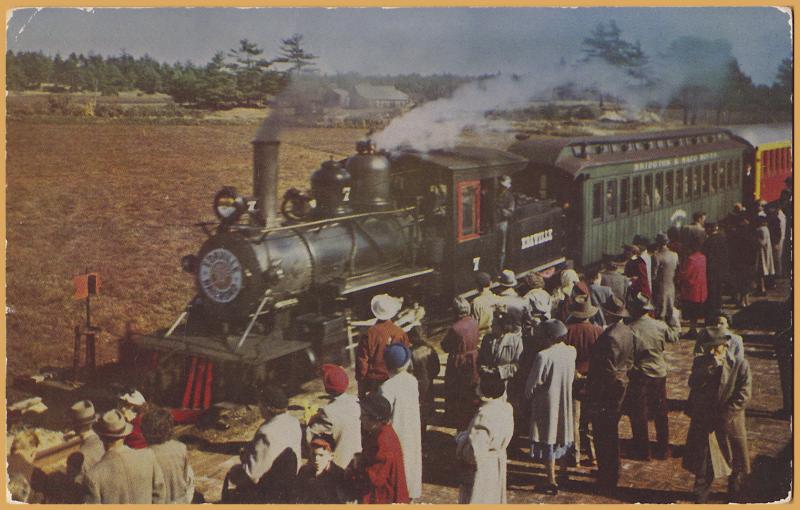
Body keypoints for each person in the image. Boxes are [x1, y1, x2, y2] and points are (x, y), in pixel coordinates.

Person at [683, 328, 752, 503]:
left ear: (726, 345)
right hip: (706, 419)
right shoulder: (701, 362)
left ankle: (734, 493)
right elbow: (693, 383)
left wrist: (724, 416)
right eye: (709, 348)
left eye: (716, 347)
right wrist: (709, 368)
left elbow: (744, 395)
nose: (713, 352)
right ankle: (700, 494)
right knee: (704, 459)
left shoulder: (740, 364)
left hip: (729, 421)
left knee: (735, 459)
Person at [587, 296, 635, 489]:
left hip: (607, 391)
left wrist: (596, 393)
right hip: (621, 383)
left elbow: (606, 370)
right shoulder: (627, 331)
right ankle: (609, 470)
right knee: (610, 431)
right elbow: (630, 359)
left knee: (604, 433)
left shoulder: (610, 336)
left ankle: (608, 474)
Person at [626, 293, 680, 460]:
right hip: (659, 372)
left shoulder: (630, 328)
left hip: (640, 373)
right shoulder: (659, 325)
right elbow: (674, 336)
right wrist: (675, 318)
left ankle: (643, 451)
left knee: (639, 413)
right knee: (661, 412)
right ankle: (663, 449)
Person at [525, 319, 576, 495]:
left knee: (548, 438)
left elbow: (533, 383)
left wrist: (527, 396)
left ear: (549, 337)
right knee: (562, 434)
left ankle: (551, 479)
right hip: (565, 399)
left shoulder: (543, 356)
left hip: (546, 402)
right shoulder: (571, 352)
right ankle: (563, 471)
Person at [225, 386, 301, 503]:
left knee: (232, 475)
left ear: (268, 407)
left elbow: (253, 474)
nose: (258, 407)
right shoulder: (294, 422)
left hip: (270, 491)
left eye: (260, 404)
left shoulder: (266, 432)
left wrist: (244, 459)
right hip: (292, 481)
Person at [84, 409, 166, 504]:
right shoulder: (148, 457)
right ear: (125, 434)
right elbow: (160, 495)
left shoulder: (93, 476)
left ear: (100, 437)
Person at [455, 373, 515, 504]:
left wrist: (462, 441)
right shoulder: (506, 408)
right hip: (497, 462)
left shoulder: (484, 415)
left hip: (482, 469)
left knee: (479, 499)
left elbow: (473, 453)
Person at [347, 392, 410, 504]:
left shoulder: (384, 441)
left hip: (384, 496)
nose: (360, 418)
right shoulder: (380, 432)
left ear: (375, 419)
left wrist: (357, 467)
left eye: (363, 415)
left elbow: (376, 478)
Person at [379, 344, 423, 501]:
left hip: (396, 432)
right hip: (412, 429)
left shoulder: (387, 387)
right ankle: (410, 494)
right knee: (412, 461)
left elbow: (383, 414)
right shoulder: (412, 381)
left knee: (398, 467)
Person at [564, 295, 602, 466]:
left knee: (574, 419)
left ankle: (575, 456)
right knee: (590, 419)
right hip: (593, 378)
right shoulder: (598, 331)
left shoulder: (567, 331)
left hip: (573, 378)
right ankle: (593, 455)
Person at [306, 364, 362, 470]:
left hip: (341, 462)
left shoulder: (328, 411)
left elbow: (311, 435)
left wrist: (310, 422)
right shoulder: (356, 401)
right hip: (360, 456)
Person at [356, 294, 410, 399]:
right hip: (396, 379)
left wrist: (361, 388)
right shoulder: (400, 333)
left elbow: (362, 362)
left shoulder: (368, 334)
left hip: (375, 381)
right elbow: (406, 359)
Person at [141, 407, 196, 504]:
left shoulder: (144, 456)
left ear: (144, 432)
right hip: (181, 501)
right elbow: (188, 479)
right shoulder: (180, 448)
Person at [441, 296, 481, 430]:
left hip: (459, 360)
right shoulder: (474, 322)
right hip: (473, 357)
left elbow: (445, 346)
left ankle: (454, 418)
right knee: (470, 387)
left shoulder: (455, 328)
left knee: (455, 389)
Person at [478, 306, 524, 385]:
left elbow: (518, 365)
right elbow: (481, 358)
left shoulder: (515, 341)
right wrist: (483, 368)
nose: (491, 327)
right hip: (487, 381)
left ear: (502, 327)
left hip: (506, 383)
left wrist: (499, 371)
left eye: (494, 325)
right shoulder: (487, 339)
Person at [294, 435, 347, 504]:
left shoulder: (338, 475)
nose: (316, 459)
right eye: (313, 454)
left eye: (321, 455)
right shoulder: (304, 471)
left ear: (331, 456)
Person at [408, 325, 440, 436]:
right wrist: (431, 376)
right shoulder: (430, 349)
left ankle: (419, 433)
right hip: (428, 381)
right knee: (426, 408)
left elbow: (409, 370)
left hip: (416, 383)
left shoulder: (411, 352)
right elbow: (437, 367)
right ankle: (424, 431)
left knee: (418, 408)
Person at [67, 400, 105, 486]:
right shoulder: (104, 443)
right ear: (92, 423)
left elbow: (74, 487)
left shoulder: (78, 457)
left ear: (74, 426)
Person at [652, 233, 679, 328]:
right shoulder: (675, 255)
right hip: (671, 286)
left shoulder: (656, 256)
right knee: (670, 309)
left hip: (660, 287)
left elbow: (654, 275)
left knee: (660, 312)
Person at [679, 246, 708, 338]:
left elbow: (685, 274)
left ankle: (692, 330)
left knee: (691, 311)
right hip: (701, 287)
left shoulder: (691, 259)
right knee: (696, 310)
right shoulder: (703, 257)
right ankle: (693, 329)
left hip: (692, 288)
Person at [727, 215, 756, 307]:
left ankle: (742, 300)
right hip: (747, 260)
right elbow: (753, 247)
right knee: (746, 281)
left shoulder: (734, 233)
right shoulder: (749, 233)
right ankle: (745, 301)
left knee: (740, 281)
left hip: (737, 260)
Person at [703, 223, 729, 321]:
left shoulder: (708, 241)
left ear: (710, 229)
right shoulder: (723, 239)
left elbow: (705, 256)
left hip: (711, 272)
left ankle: (710, 317)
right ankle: (718, 316)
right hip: (721, 271)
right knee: (718, 294)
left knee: (711, 295)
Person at [497, 175, 516, 272]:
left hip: (502, 223)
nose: (502, 188)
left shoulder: (510, 197)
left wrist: (500, 210)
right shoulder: (495, 194)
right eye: (501, 186)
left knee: (502, 248)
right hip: (494, 223)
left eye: (504, 186)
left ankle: (500, 269)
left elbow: (510, 212)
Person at [471, 271, 499, 337]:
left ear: (477, 286)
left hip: (482, 337)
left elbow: (473, 325)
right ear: (490, 284)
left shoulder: (475, 302)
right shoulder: (497, 298)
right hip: (497, 335)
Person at [754, 216, 775, 295]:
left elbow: (762, 242)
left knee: (761, 271)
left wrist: (756, 239)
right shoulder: (766, 229)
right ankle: (764, 287)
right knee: (764, 270)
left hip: (761, 253)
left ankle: (762, 289)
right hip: (767, 252)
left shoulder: (760, 230)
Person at [766, 205, 787, 278]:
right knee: (777, 257)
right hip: (778, 239)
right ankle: (778, 273)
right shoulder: (778, 216)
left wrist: (776, 242)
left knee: (777, 257)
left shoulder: (777, 218)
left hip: (777, 240)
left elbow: (778, 231)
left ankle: (778, 273)